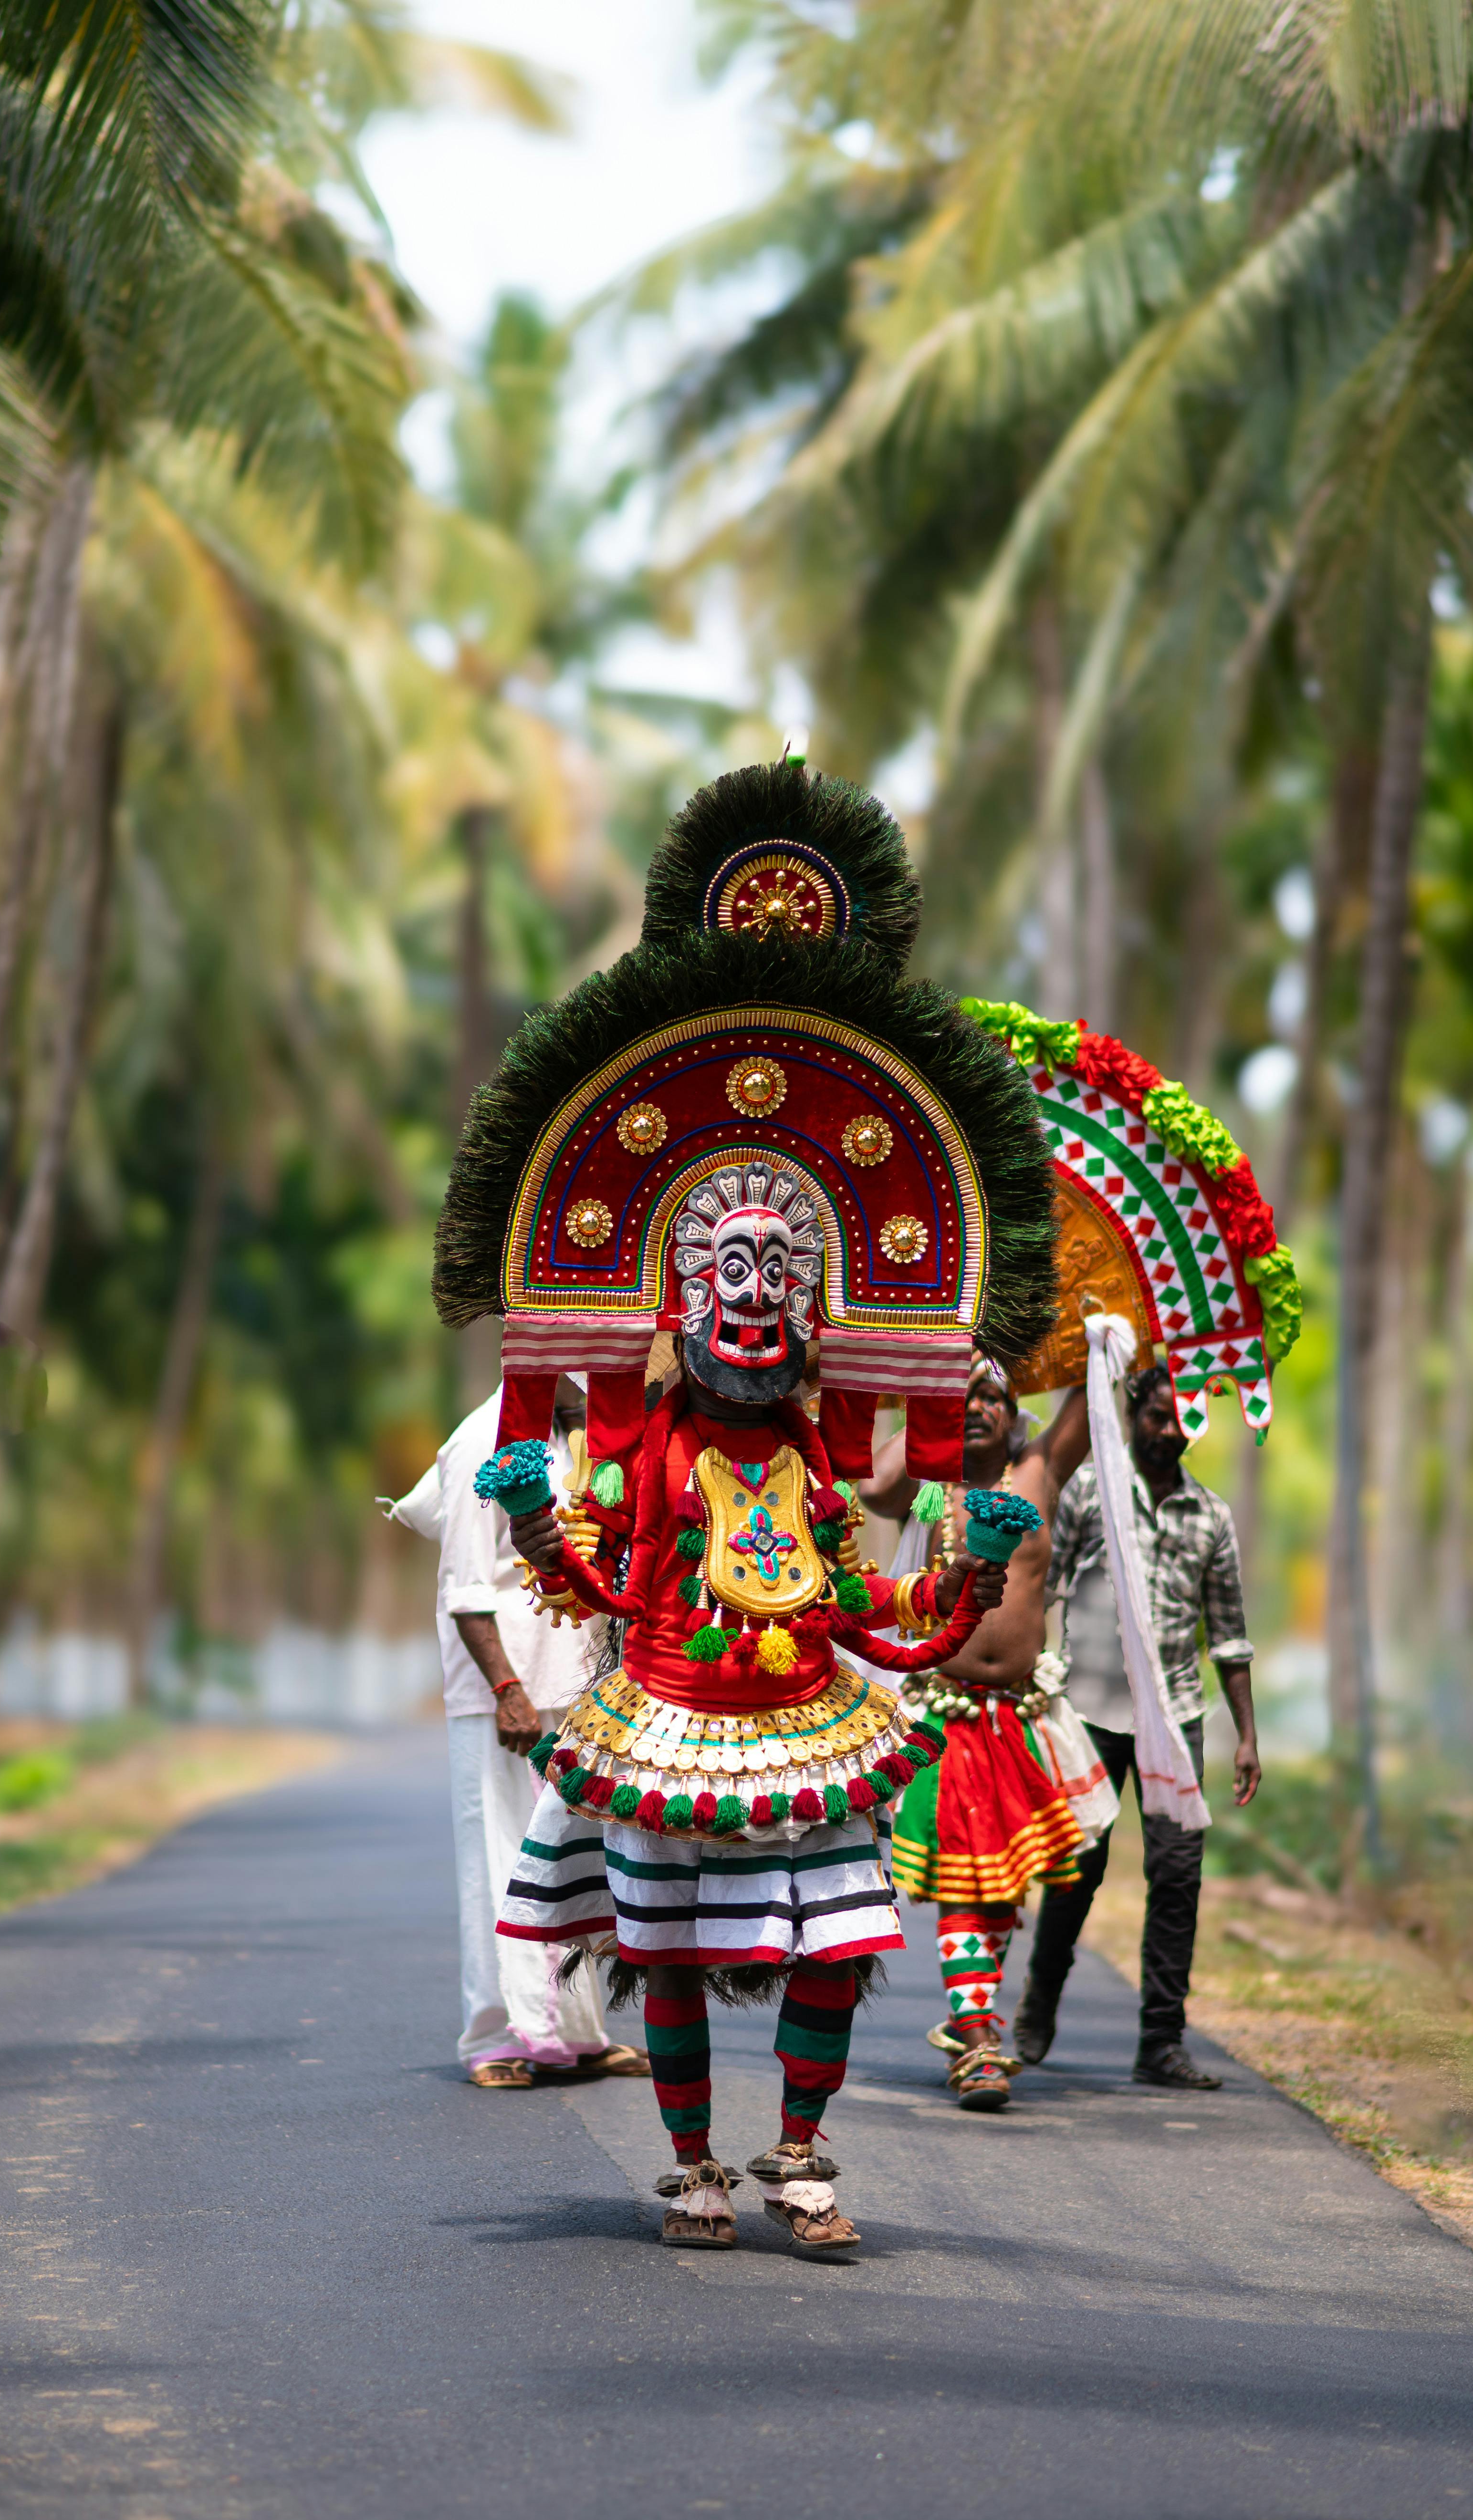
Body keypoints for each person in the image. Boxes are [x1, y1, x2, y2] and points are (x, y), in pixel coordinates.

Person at [428, 751, 1057, 2256]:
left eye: (786, 1274)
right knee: (665, 1953)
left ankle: (803, 2152)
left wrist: (963, 1571)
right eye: (728, 1272)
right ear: (674, 1286)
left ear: (828, 1295)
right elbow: (597, 1577)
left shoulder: (821, 1468)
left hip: (802, 1728)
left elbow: (861, 1606)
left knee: (836, 1950)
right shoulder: (647, 1451)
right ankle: (699, 2167)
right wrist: (528, 1519)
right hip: (667, 1720)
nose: (757, 1299)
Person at [389, 1374, 648, 2088]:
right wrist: (506, 1690)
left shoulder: (585, 1437)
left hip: (579, 1689)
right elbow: (466, 1589)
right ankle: (498, 2035)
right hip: (505, 1693)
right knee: (500, 1857)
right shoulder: (484, 1439)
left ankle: (578, 2033)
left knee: (579, 1861)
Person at [859, 1357, 1100, 2109]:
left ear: (1014, 1409)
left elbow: (1091, 1400)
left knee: (1003, 1880)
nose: (979, 1409)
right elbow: (871, 1486)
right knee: (968, 1871)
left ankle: (976, 2018)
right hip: (941, 1710)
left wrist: (1116, 1329)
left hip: (1019, 1716)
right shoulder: (929, 1484)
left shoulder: (1040, 1472)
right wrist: (934, 1379)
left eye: (993, 1396)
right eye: (965, 1399)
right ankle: (977, 2031)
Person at [1014, 1360, 1262, 2089]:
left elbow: (1231, 1637)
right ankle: (1037, 2012)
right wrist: (1029, 1686)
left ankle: (1162, 2040)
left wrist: (1247, 1733)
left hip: (1176, 1717)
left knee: (1179, 1874)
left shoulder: (1211, 1516)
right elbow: (1044, 1589)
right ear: (1130, 1414)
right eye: (1157, 1416)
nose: (1169, 1430)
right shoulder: (1091, 1493)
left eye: (1182, 1417)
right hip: (1088, 1711)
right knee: (1078, 1870)